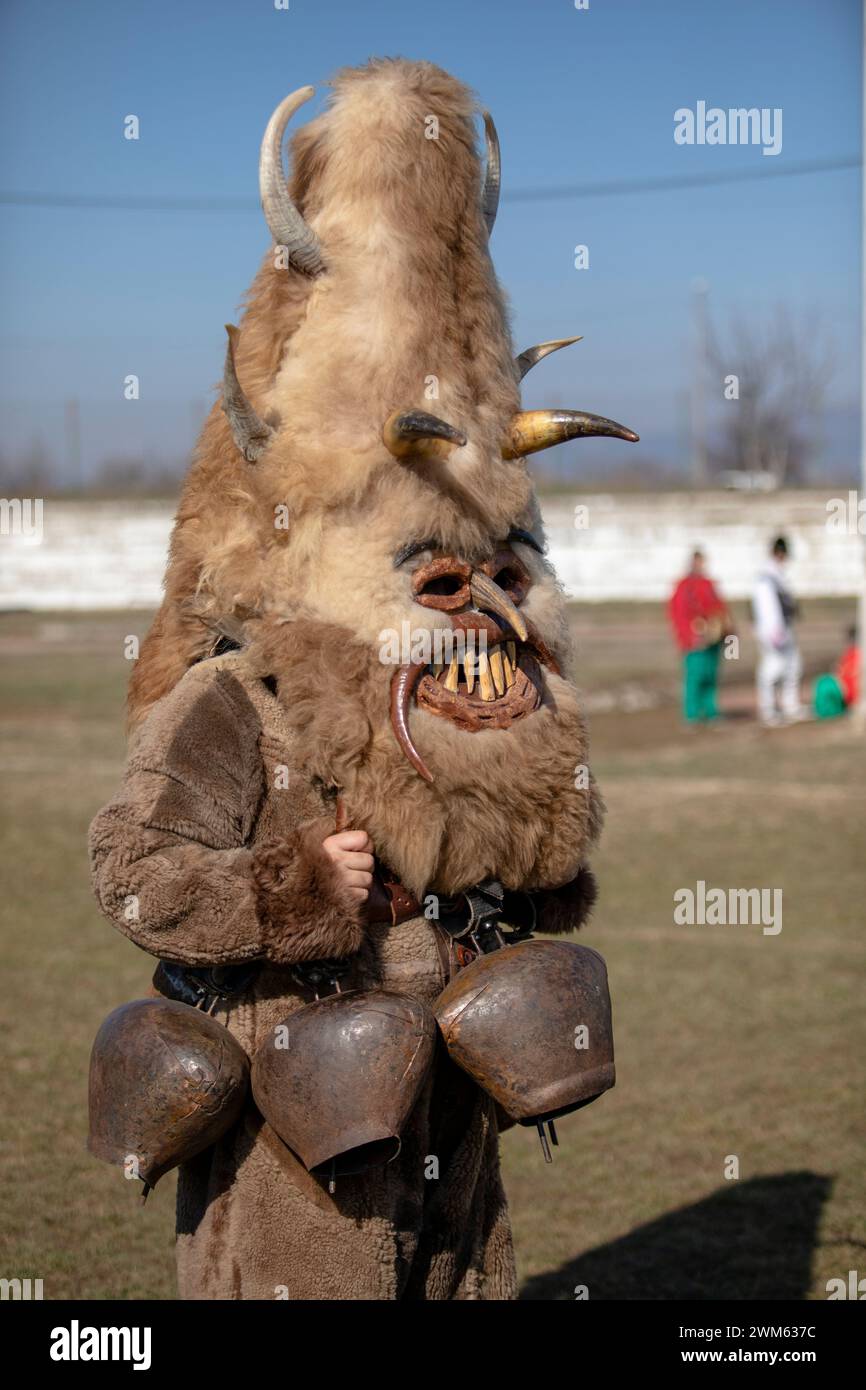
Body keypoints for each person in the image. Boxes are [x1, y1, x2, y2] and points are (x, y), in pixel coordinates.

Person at [85, 60, 636, 1301]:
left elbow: (551, 886)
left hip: (451, 1117)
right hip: (293, 1132)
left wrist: (526, 824)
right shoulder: (232, 698)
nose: (474, 585)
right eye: (427, 559)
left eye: (490, 556)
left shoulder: (476, 680)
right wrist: (292, 887)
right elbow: (131, 874)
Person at [668, 549, 732, 724]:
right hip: (695, 641)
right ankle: (693, 714)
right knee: (695, 677)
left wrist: (726, 631)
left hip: (713, 639)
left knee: (711, 676)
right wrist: (689, 637)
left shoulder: (709, 584)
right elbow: (678, 614)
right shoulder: (683, 586)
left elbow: (721, 608)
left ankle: (711, 711)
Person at [752, 536, 804, 727]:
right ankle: (768, 710)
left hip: (784, 628)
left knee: (793, 666)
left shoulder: (778, 575)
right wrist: (775, 632)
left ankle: (790, 706)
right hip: (773, 631)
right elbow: (767, 609)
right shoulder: (766, 578)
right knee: (772, 669)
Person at [813, 626, 860, 719]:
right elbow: (842, 669)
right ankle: (828, 711)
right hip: (843, 684)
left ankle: (831, 711)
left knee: (826, 686)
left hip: (851, 688)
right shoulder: (850, 652)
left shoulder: (858, 653)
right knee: (823, 682)